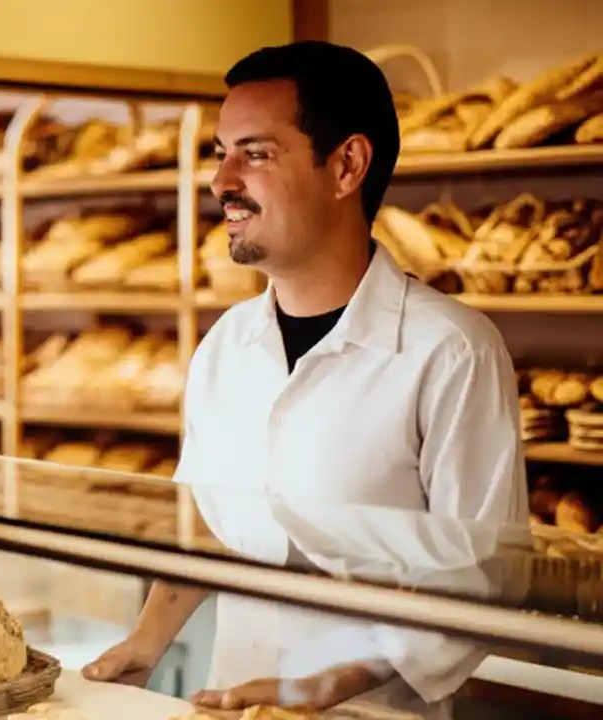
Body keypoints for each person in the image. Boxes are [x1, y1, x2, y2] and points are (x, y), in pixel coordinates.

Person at [83, 41, 526, 715]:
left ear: (347, 164)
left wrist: (323, 682)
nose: (221, 181)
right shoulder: (226, 345)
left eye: (254, 154)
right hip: (230, 705)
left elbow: (483, 576)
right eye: (219, 153)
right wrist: (144, 644)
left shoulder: (451, 351)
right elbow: (205, 526)